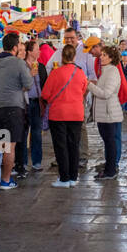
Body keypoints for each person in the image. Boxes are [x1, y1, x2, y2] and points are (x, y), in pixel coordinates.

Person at [0, 31, 32, 189]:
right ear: (16, 47)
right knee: (9, 147)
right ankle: (5, 180)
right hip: (13, 108)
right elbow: (28, 84)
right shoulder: (18, 63)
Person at [42, 43, 88, 187]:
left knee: (61, 146)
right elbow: (84, 90)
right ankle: (73, 177)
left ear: (62, 57)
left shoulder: (56, 73)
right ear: (74, 56)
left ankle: (64, 178)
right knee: (74, 145)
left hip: (58, 114)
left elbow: (45, 94)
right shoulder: (80, 73)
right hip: (76, 113)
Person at [88, 45, 123, 180]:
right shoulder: (106, 71)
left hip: (110, 114)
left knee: (110, 142)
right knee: (108, 142)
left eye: (104, 55)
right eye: (101, 55)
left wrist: (90, 85)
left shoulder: (112, 71)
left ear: (111, 58)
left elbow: (106, 93)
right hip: (104, 114)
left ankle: (110, 170)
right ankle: (109, 167)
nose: (100, 57)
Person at [16, 39, 46, 172]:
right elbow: (17, 85)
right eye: (37, 49)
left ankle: (37, 161)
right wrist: (30, 75)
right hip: (24, 102)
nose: (39, 51)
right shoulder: (21, 66)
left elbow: (44, 83)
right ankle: (22, 162)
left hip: (37, 102)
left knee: (37, 133)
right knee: (23, 133)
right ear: (30, 52)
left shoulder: (41, 66)